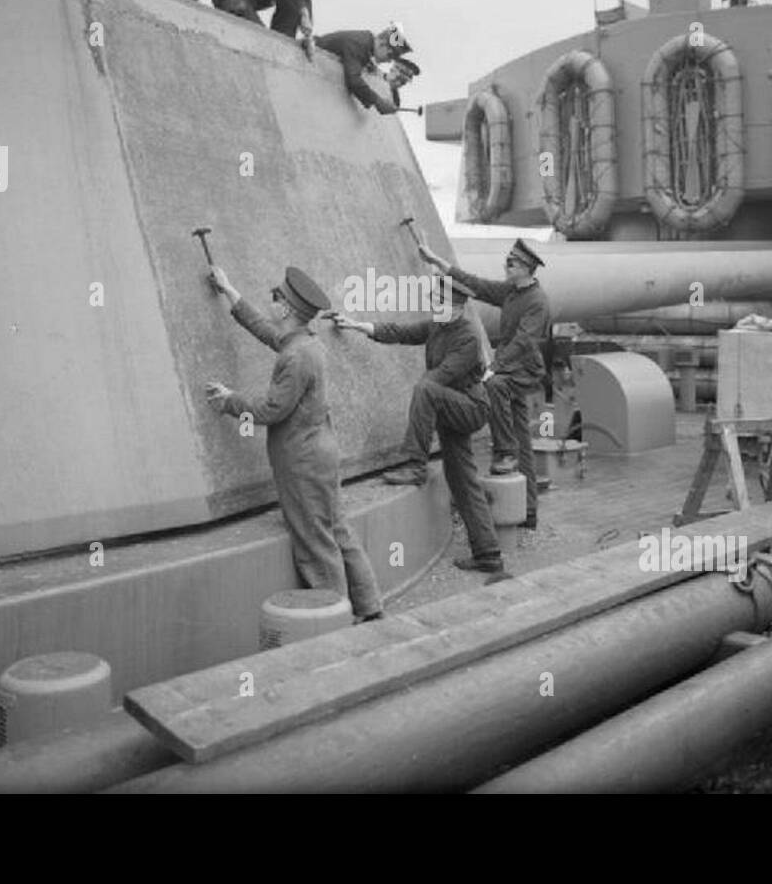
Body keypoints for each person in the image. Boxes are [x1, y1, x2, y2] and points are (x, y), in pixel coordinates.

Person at [204, 264, 384, 621]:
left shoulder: (296, 356)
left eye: (275, 296)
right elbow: (266, 332)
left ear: (285, 308)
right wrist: (229, 290)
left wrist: (229, 402)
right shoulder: (304, 343)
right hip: (320, 452)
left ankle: (332, 622)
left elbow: (273, 409)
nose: (270, 300)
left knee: (316, 545)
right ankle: (368, 607)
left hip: (302, 462)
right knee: (337, 531)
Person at [333, 277, 505, 574]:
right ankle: (488, 554)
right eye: (433, 298)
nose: (432, 303)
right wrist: (356, 325)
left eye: (438, 300)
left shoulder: (468, 337)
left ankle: (415, 465)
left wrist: (422, 414)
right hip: (449, 406)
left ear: (456, 307)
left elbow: (437, 380)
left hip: (470, 409)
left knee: (425, 389)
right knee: (462, 481)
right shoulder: (439, 325)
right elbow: (401, 332)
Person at [418, 238, 551, 530]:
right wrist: (438, 262)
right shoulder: (512, 292)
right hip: (511, 367)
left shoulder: (537, 301)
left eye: (511, 263)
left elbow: (525, 341)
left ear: (527, 268)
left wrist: (495, 367)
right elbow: (476, 285)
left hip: (523, 370)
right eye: (508, 260)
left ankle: (504, 452)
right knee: (523, 438)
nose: (506, 265)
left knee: (494, 387)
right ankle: (528, 511)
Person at [315, 24, 410, 114]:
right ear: (382, 43)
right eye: (390, 55)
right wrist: (378, 102)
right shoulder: (359, 44)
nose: (389, 61)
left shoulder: (365, 43)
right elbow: (353, 80)